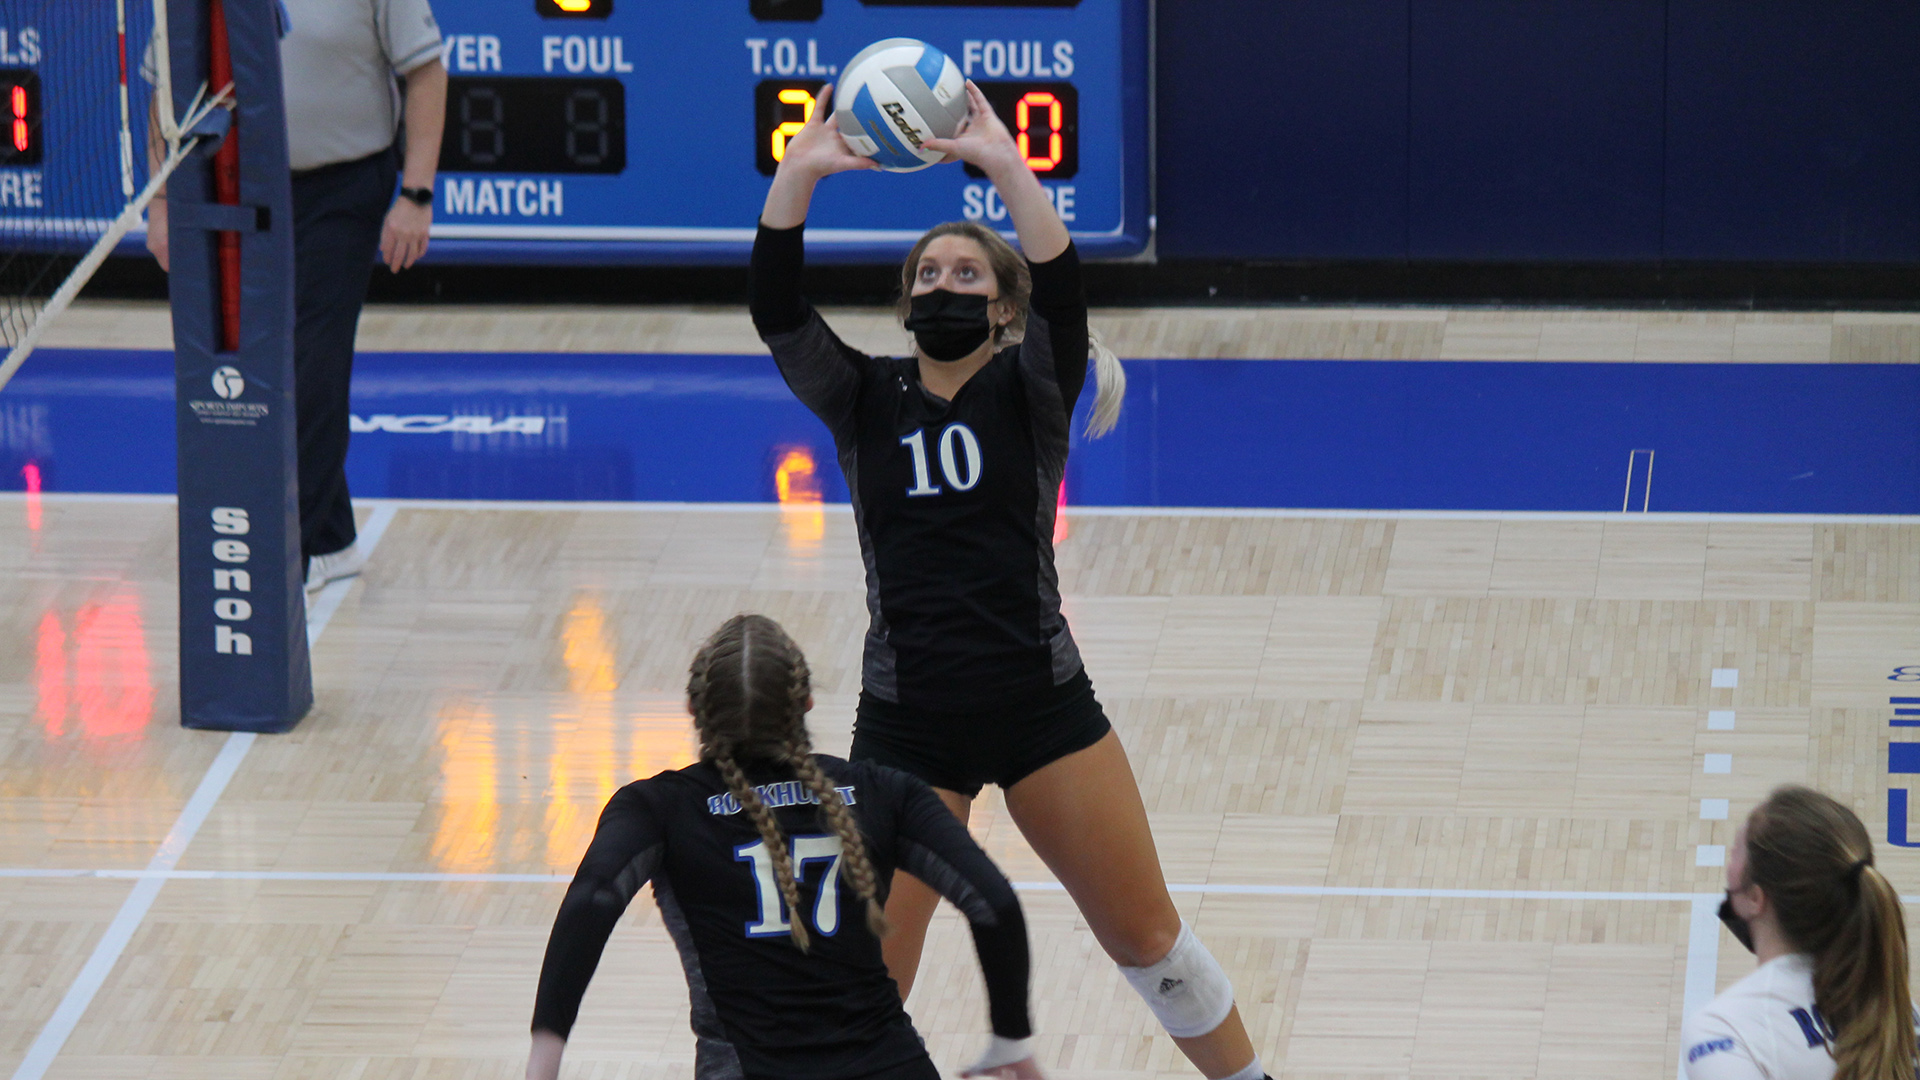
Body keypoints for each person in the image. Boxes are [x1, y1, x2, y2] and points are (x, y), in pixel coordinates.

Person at [750, 83, 1267, 1080]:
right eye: (929, 269)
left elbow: (1065, 288)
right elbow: (777, 308)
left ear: (1001, 302)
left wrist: (1006, 165)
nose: (947, 278)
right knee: (867, 984)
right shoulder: (861, 399)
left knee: (1149, 939)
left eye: (968, 269)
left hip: (1044, 712)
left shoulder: (1032, 389)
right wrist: (798, 174)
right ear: (906, 303)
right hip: (908, 730)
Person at [527, 613, 1044, 1080]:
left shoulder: (658, 808)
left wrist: (543, 1063)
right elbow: (992, 900)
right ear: (807, 705)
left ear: (693, 710)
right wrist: (1010, 1037)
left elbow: (589, 905)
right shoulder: (885, 792)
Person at [145, 0, 446, 591]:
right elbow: (166, 94)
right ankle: (333, 538)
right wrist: (160, 204)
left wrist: (417, 193)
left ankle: (288, 551)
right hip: (241, 186)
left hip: (344, 187)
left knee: (314, 360)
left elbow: (426, 71)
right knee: (263, 357)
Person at [1684, 784, 1917, 1079]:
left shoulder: (1725, 1029)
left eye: (1734, 854)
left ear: (1756, 898)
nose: (1728, 867)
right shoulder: (1898, 1011)